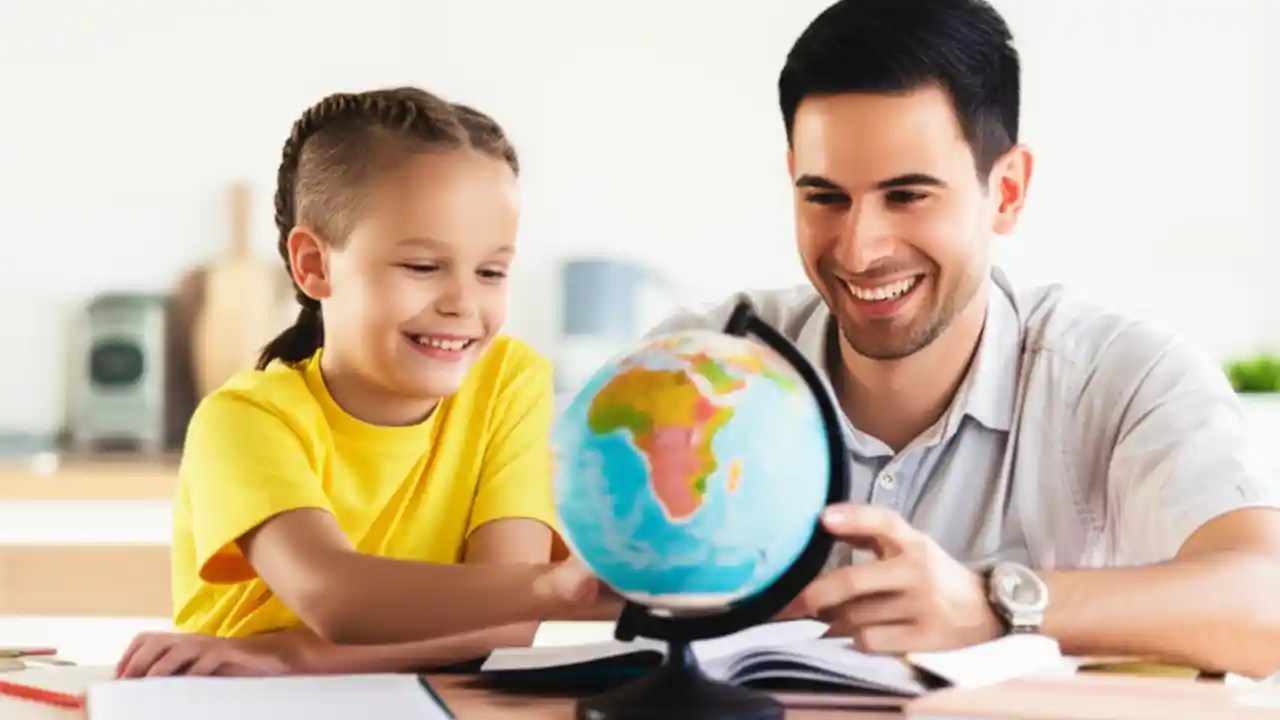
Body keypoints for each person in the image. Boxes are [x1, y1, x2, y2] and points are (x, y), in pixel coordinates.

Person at [650, 0, 1280, 678]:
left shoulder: (1124, 376)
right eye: (825, 198)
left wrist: (994, 605)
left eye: (908, 196)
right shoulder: (708, 363)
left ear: (1006, 191)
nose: (860, 252)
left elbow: (1266, 607)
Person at [116, 87, 604, 678]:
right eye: (423, 266)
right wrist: (557, 586)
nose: (463, 303)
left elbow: (505, 625)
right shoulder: (244, 419)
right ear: (315, 265)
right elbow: (334, 596)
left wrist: (294, 657)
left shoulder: (508, 380)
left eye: (491, 271)